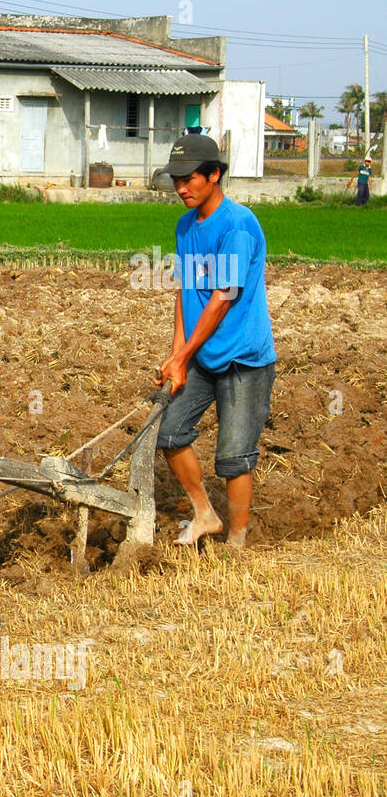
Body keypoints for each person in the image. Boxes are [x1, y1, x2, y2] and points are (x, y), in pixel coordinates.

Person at [153, 133, 276, 548]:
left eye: (189, 179)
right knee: (169, 432)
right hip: (202, 356)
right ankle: (205, 514)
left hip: (244, 359)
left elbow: (222, 298)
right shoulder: (186, 226)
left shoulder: (238, 226)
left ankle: (237, 544)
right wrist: (177, 356)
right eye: (176, 180)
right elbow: (185, 293)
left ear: (215, 175)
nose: (181, 188)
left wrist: (185, 354)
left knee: (233, 458)